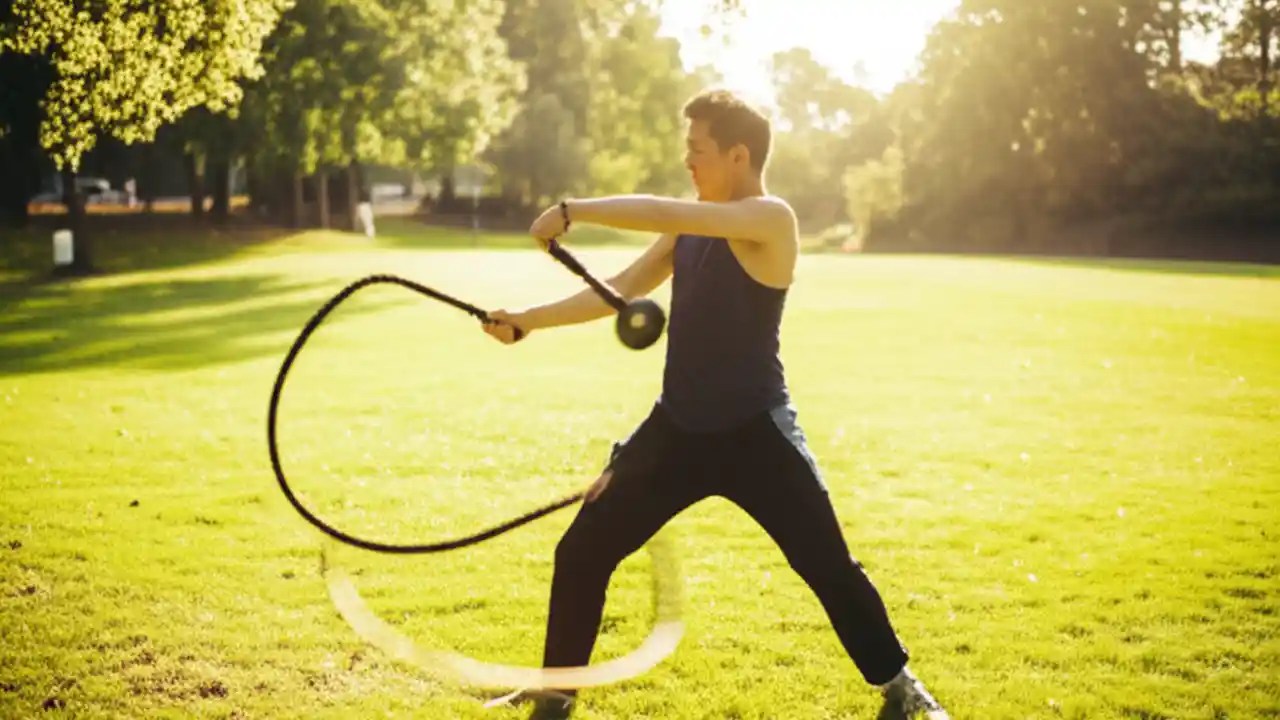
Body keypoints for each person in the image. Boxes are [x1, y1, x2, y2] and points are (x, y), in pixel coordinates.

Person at [481, 89, 948, 720]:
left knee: (825, 563)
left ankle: (902, 688)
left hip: (757, 431)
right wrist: (527, 321)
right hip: (676, 429)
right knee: (584, 548)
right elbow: (622, 288)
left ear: (738, 155)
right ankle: (556, 695)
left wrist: (573, 210)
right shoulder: (692, 226)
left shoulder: (770, 220)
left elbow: (659, 208)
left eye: (697, 149)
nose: (688, 162)